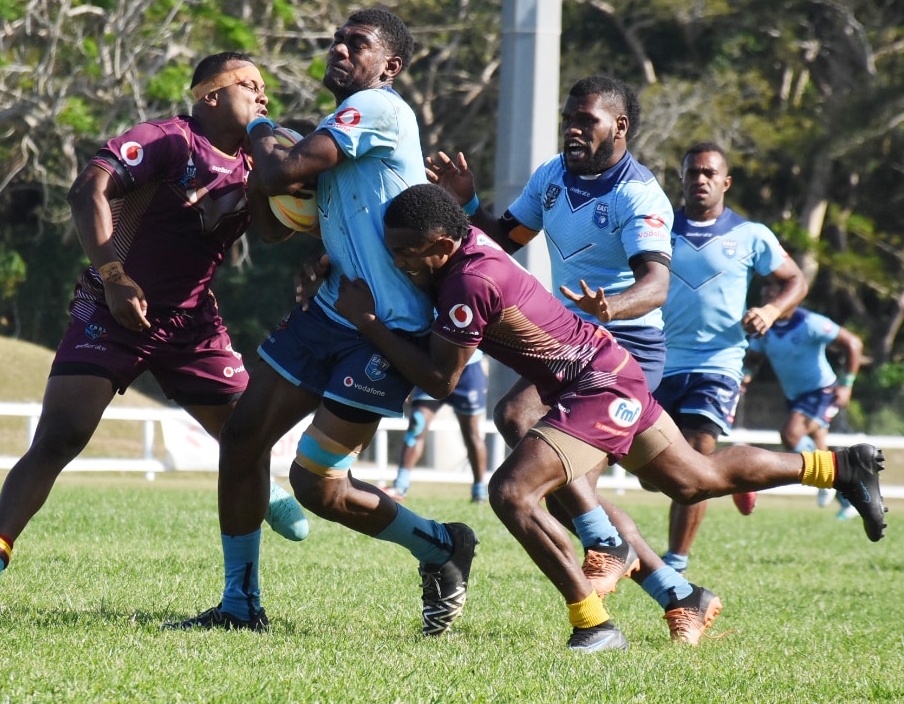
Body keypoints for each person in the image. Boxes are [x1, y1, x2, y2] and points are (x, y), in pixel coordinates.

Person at [335, 182, 886, 651]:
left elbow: (439, 379)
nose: (401, 264)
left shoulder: (467, 284)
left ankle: (593, 625)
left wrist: (368, 322)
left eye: (408, 254)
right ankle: (839, 468)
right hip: (602, 370)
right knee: (695, 480)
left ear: (443, 243)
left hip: (595, 384)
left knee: (512, 492)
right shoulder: (466, 250)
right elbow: (476, 233)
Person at [0, 53, 310, 607]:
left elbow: (270, 234)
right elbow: (84, 192)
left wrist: (279, 184)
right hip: (113, 306)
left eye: (267, 89)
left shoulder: (251, 165)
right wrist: (114, 277)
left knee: (245, 437)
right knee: (62, 434)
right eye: (249, 85)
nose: (263, 96)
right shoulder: (168, 140)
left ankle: (254, 549)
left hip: (191, 324)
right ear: (209, 96)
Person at [162, 9, 477, 637]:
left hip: (390, 326)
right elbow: (276, 225)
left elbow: (280, 170)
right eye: (335, 41)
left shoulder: (381, 110)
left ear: (389, 66)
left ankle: (443, 544)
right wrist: (266, 188)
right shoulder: (336, 128)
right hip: (331, 312)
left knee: (315, 485)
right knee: (244, 437)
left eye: (355, 44)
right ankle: (239, 604)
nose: (338, 49)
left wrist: (257, 131)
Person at [427, 76, 692, 634]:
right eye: (568, 117)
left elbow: (657, 286)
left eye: (586, 120)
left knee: (688, 481)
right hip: (574, 344)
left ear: (619, 126)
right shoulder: (552, 177)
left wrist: (611, 306)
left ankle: (615, 554)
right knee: (544, 447)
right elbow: (502, 240)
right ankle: (677, 591)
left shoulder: (640, 194)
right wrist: (467, 203)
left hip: (627, 348)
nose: (572, 128)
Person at [653, 142, 807, 574]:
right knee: (653, 472)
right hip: (662, 361)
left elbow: (795, 279)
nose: (699, 180)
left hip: (719, 363)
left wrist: (773, 309)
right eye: (692, 173)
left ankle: (675, 566)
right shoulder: (659, 229)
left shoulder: (751, 235)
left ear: (726, 181)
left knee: (696, 460)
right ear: (681, 179)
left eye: (708, 173)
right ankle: (740, 472)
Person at [742, 281, 865, 519]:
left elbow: (854, 343)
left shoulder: (809, 322)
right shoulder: (764, 328)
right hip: (795, 396)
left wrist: (847, 384)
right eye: (765, 297)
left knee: (790, 434)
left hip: (821, 392)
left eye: (773, 297)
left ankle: (832, 479)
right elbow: (754, 359)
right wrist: (746, 376)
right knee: (820, 450)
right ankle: (851, 499)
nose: (768, 304)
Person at [384, 350, 489, 503]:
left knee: (471, 434)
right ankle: (400, 486)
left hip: (469, 370)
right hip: (435, 367)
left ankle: (479, 491)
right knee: (417, 423)